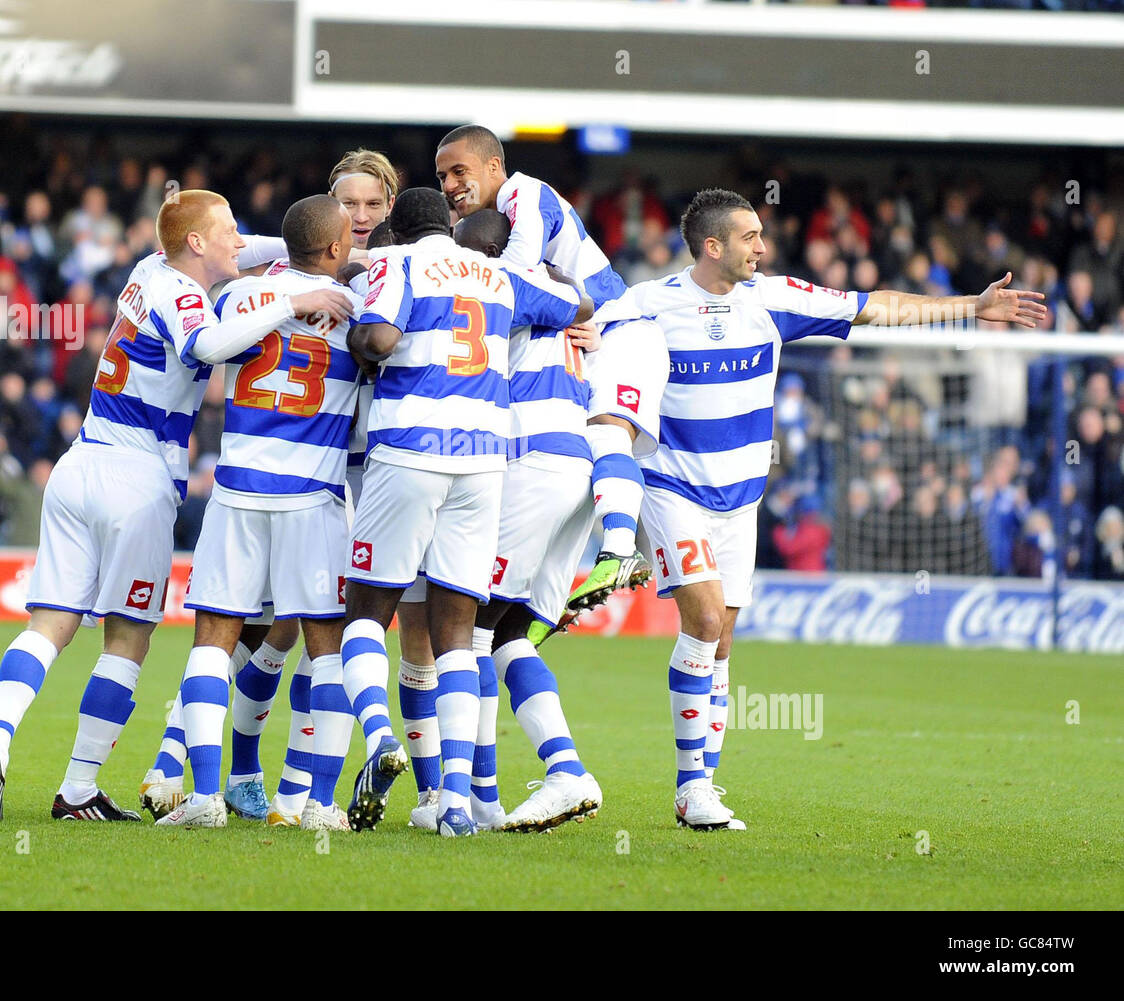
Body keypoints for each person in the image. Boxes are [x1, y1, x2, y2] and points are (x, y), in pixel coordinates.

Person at [626, 188, 1046, 831]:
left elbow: (878, 308)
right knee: (705, 621)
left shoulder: (774, 300)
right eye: (749, 239)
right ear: (713, 247)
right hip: (672, 487)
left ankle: (702, 786)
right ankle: (691, 788)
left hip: (742, 500)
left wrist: (972, 306)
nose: (762, 248)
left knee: (723, 640)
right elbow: (586, 329)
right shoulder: (649, 305)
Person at [0, 189, 351, 823]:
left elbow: (235, 251)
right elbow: (206, 347)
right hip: (137, 480)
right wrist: (293, 295)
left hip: (79, 463)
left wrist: (307, 247)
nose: (238, 239)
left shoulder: (150, 270)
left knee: (48, 625)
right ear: (196, 243)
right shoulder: (186, 299)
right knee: (127, 639)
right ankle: (78, 790)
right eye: (227, 230)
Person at [341, 187, 589, 836]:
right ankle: (455, 801)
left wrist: (362, 342)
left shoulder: (394, 266)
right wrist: (550, 273)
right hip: (483, 462)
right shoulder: (500, 271)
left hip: (409, 451)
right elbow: (578, 302)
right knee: (459, 633)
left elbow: (382, 335)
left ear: (397, 226)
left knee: (367, 611)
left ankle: (378, 738)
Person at [157, 195, 362, 830]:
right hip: (314, 496)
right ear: (334, 249)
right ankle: (321, 806)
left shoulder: (241, 298)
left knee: (214, 643)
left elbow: (218, 335)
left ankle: (205, 797)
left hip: (239, 489)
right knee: (327, 650)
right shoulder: (361, 308)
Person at [406, 207, 605, 833]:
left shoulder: (497, 297)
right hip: (578, 473)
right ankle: (555, 771)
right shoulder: (559, 303)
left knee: (467, 627)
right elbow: (583, 304)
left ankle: (475, 797)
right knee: (511, 634)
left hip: (530, 467)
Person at [435, 125, 659, 617]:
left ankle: (620, 549)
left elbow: (513, 271)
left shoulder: (525, 192)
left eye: (459, 171)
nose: (450, 185)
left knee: (606, 436)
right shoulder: (504, 214)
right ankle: (544, 615)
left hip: (621, 329)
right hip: (590, 334)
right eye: (442, 176)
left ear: (495, 167)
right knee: (579, 466)